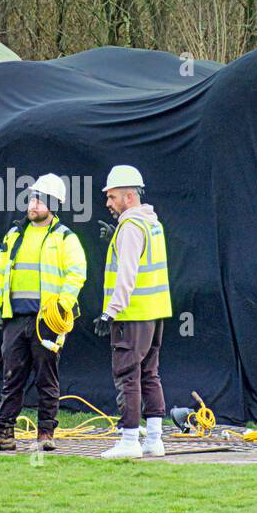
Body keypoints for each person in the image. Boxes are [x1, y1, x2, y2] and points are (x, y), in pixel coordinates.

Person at [0, 173, 87, 453]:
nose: (33, 205)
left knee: (47, 379)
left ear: (52, 204)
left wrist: (62, 306)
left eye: (39, 200)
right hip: (15, 318)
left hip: (47, 321)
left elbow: (76, 274)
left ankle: (46, 434)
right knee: (12, 378)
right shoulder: (14, 235)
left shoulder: (64, 238)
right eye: (32, 198)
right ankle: (3, 434)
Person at [93, 165, 171, 459]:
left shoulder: (130, 228)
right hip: (154, 312)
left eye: (112, 197)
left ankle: (129, 441)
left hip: (131, 314)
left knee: (127, 374)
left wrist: (109, 312)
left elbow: (127, 274)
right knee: (150, 374)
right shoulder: (151, 223)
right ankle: (153, 439)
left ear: (128, 196)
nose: (108, 203)